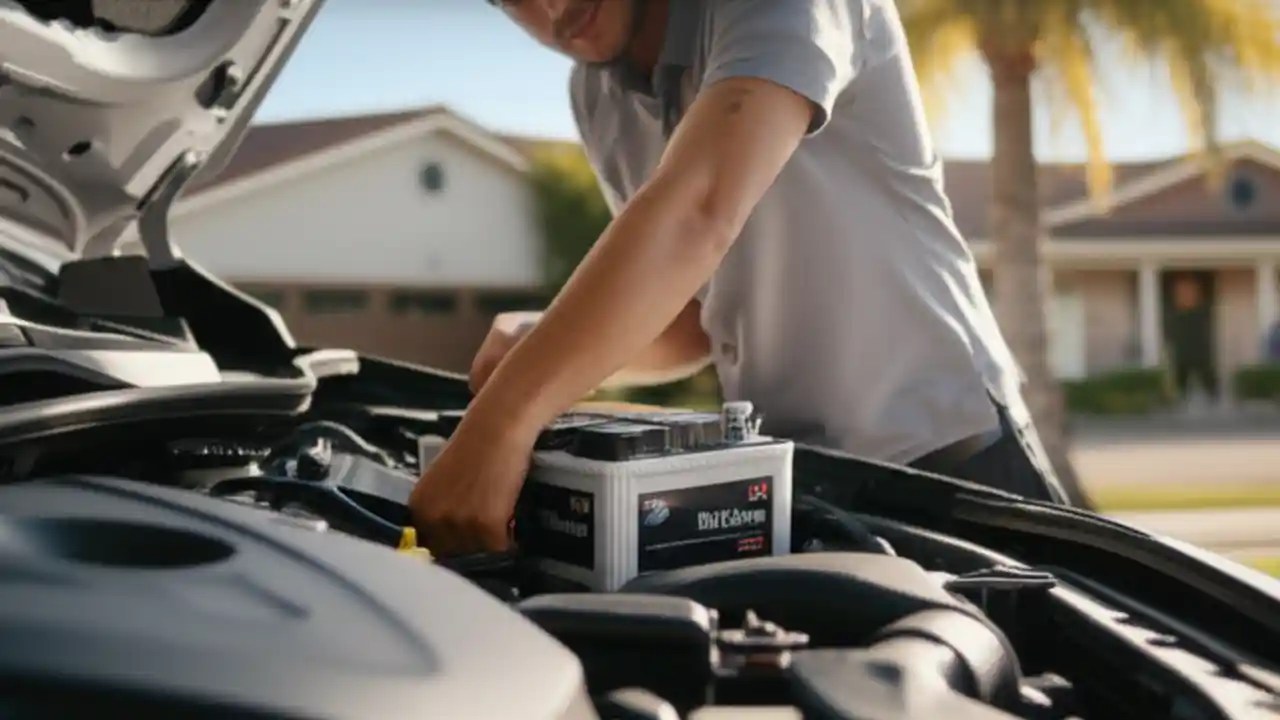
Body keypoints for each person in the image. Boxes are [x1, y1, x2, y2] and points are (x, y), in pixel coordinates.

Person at [410, 0, 1070, 556]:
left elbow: (699, 208)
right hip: (800, 496)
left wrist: (504, 421)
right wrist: (544, 343)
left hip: (957, 469)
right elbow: (697, 313)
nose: (549, 6)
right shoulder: (597, 96)